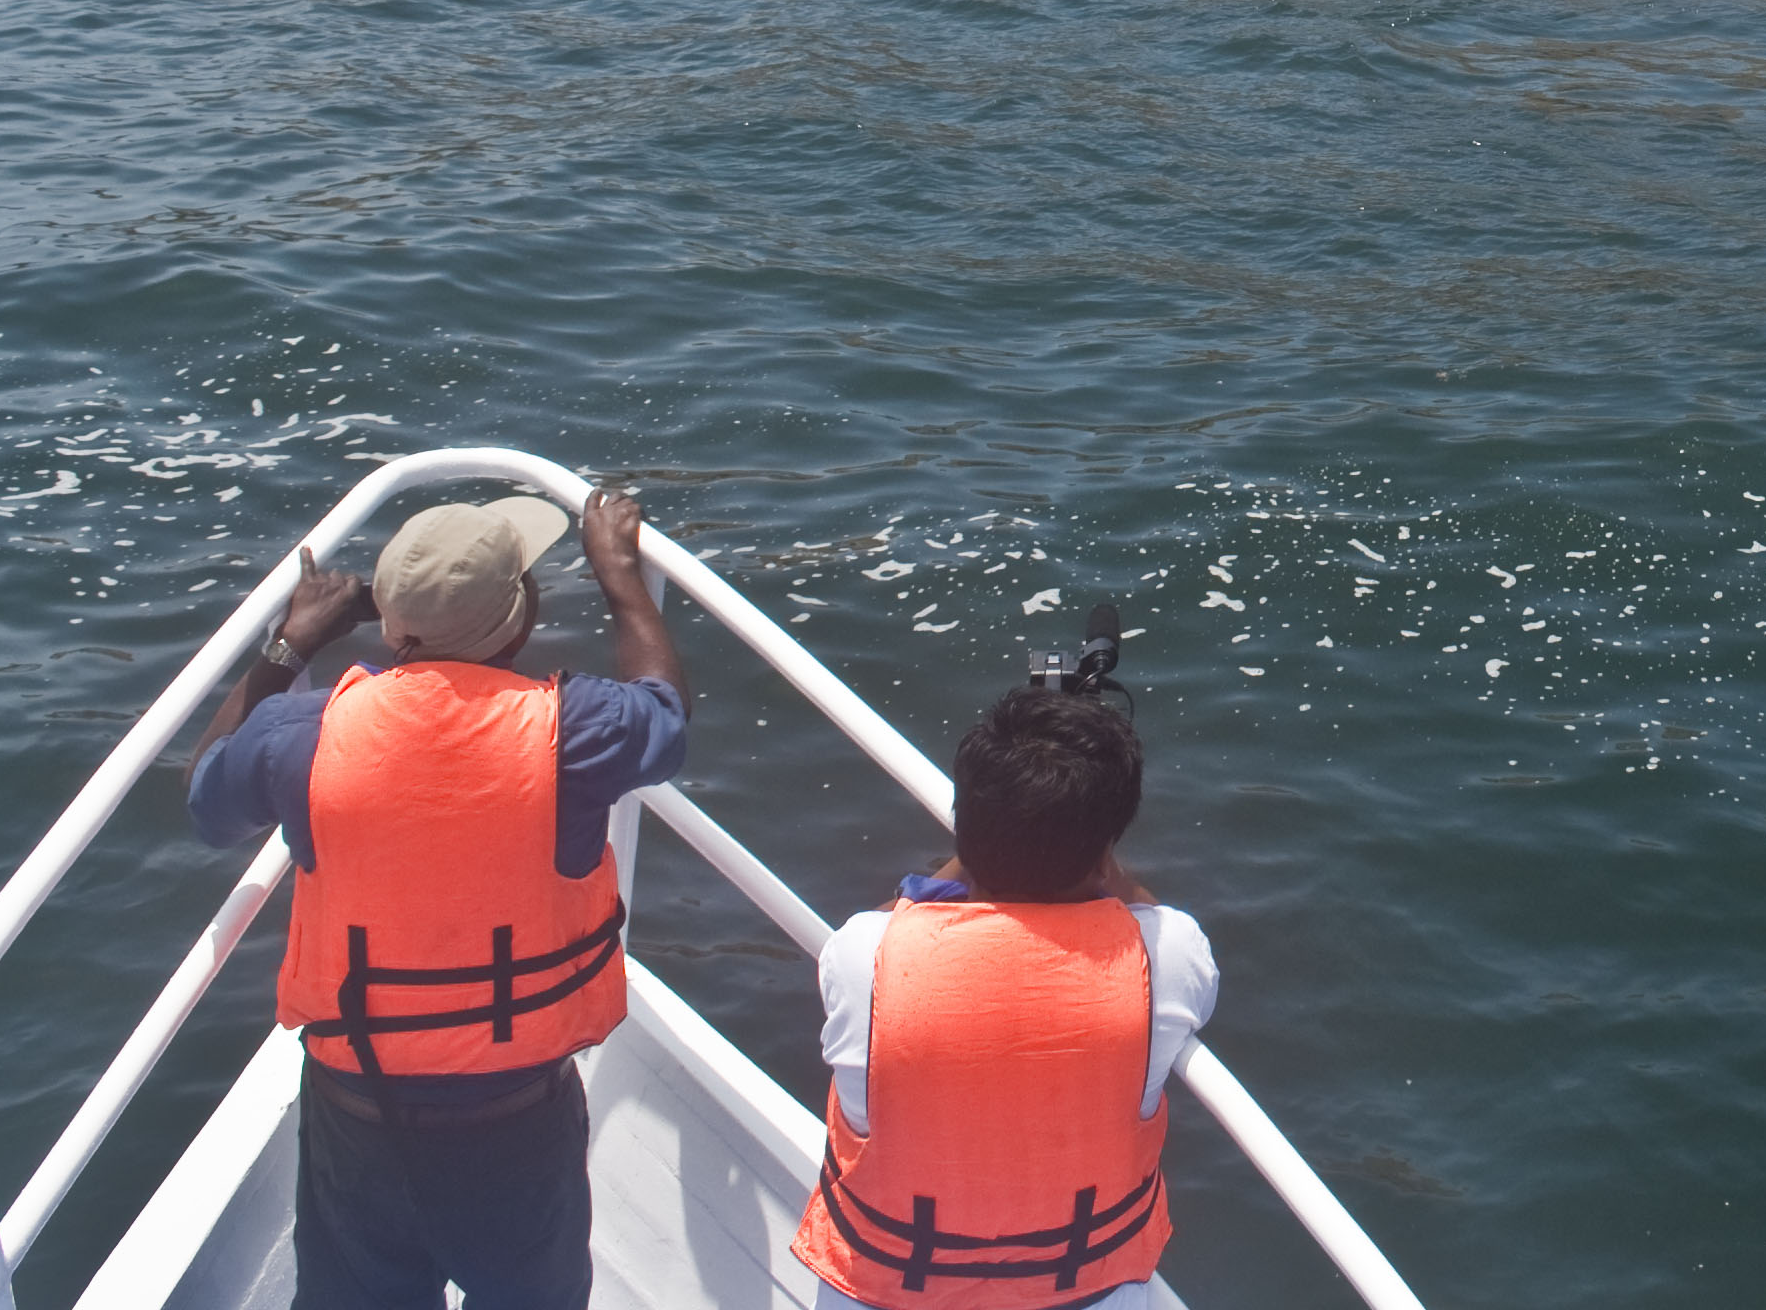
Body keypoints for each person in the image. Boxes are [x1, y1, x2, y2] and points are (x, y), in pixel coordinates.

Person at [187, 488, 689, 1310]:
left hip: (361, 1116)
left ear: (388, 624)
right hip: (518, 1120)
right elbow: (666, 715)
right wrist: (620, 576)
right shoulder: (578, 730)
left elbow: (207, 796)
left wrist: (291, 643)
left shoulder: (302, 736)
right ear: (519, 622)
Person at [790, 686, 1217, 1310]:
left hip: (887, 1287)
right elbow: (1151, 916)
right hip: (1087, 1288)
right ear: (1105, 852)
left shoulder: (866, 958)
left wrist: (973, 853)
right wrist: (1101, 863)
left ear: (968, 827)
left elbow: (886, 921)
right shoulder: (1167, 957)